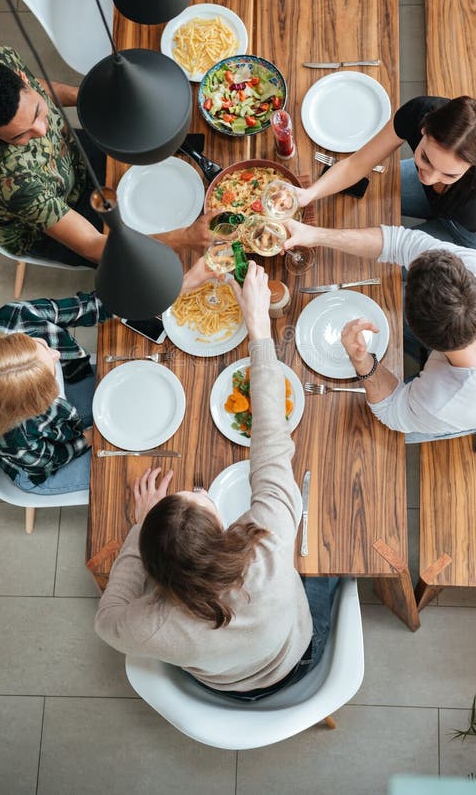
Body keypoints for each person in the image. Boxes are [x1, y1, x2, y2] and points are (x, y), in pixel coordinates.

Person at [94, 262, 339, 699]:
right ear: (221, 535)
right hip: (295, 659)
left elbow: (106, 619)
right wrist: (259, 330)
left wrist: (140, 531)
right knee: (336, 559)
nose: (203, 489)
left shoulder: (149, 624)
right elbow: (271, 440)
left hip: (221, 684)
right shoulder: (267, 545)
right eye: (204, 500)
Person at [0, 259, 217, 494]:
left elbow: (89, 307)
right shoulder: (17, 438)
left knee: (144, 403)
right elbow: (50, 460)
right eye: (50, 370)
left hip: (66, 407)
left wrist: (174, 288)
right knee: (135, 473)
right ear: (41, 401)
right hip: (48, 464)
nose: (56, 354)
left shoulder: (15, 318)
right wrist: (88, 437)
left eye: (41, 344)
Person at [0, 45, 216, 267]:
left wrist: (86, 98)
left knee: (160, 143)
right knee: (161, 259)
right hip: (54, 220)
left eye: (36, 113)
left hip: (72, 153)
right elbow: (92, 244)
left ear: (20, 77)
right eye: (19, 136)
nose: (42, 130)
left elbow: (38, 86)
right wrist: (184, 238)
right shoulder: (9, 181)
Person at [283, 221, 476, 444]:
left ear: (411, 326)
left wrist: (362, 360)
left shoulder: (444, 402)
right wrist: (315, 234)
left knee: (388, 434)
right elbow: (401, 241)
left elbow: (390, 412)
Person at [298, 95, 476, 274]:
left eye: (448, 174)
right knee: (375, 185)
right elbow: (355, 165)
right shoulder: (418, 111)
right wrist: (308, 194)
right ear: (424, 128)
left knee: (397, 270)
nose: (430, 179)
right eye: (426, 159)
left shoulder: (475, 204)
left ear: (470, 167)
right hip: (459, 209)